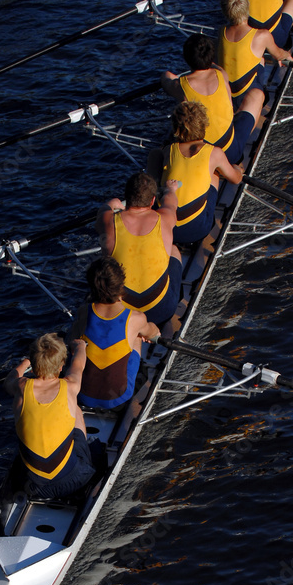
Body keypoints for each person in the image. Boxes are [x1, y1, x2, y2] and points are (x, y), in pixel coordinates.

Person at [5, 333, 94, 499]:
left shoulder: (21, 386)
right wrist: (81, 346)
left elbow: (9, 380)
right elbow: (78, 364)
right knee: (75, 409)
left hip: (32, 488)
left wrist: (24, 363)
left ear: (34, 362)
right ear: (61, 366)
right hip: (75, 481)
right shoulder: (70, 385)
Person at [149, 101, 244, 247]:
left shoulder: (168, 150)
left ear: (176, 128)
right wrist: (238, 169)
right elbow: (236, 179)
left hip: (164, 228)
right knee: (214, 173)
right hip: (196, 230)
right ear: (204, 125)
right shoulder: (214, 153)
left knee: (155, 155)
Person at [69, 257, 159, 410]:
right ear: (121, 285)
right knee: (137, 336)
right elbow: (153, 335)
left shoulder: (84, 311)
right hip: (118, 398)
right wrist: (152, 331)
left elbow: (71, 340)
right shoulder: (136, 318)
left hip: (81, 395)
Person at [96, 172, 183, 327]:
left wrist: (114, 203)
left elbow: (104, 210)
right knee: (175, 250)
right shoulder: (166, 217)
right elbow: (170, 203)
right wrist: (171, 189)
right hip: (161, 310)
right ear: (153, 201)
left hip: (123, 312)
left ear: (126, 197)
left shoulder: (108, 220)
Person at [160, 34, 259, 164]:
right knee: (257, 94)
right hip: (231, 152)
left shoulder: (180, 86)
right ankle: (250, 140)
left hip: (205, 159)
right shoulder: (222, 74)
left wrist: (165, 74)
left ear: (187, 59)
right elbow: (217, 67)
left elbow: (166, 80)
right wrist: (211, 63)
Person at [216, 0, 292, 105]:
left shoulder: (221, 31)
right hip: (248, 96)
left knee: (259, 58)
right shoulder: (261, 35)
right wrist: (288, 54)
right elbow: (279, 55)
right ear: (247, 7)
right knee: (264, 57)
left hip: (227, 94)